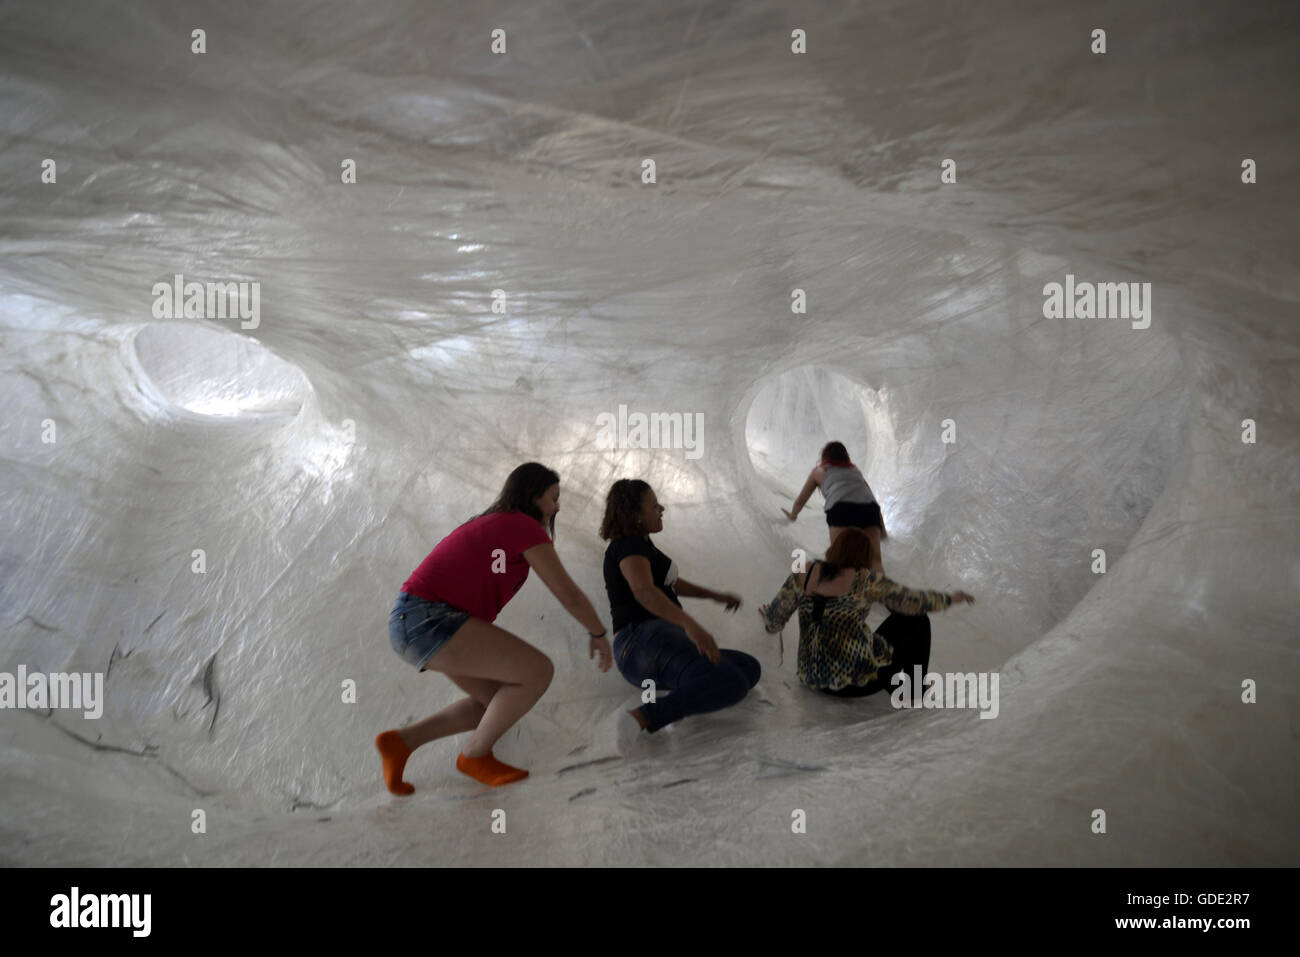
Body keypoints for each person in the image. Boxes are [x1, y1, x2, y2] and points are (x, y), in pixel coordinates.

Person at [376, 463, 611, 793]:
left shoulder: (497, 523)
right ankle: (474, 756)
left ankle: (401, 742)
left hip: (412, 623)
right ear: (533, 495)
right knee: (538, 671)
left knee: (495, 703)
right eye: (553, 497)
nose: (558, 507)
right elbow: (568, 593)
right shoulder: (523, 526)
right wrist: (599, 633)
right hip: (429, 619)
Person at [600, 479, 759, 747]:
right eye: (653, 505)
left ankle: (680, 699)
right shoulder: (628, 545)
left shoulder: (644, 546)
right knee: (731, 680)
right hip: (639, 642)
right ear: (635, 515)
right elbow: (644, 591)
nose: (661, 508)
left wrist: (715, 596)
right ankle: (640, 718)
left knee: (747, 668)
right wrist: (689, 624)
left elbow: (670, 584)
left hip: (654, 643)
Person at [758, 529, 974, 702]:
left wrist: (770, 615)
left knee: (876, 640)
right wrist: (950, 599)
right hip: (854, 684)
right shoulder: (866, 580)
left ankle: (900, 683)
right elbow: (912, 602)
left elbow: (773, 623)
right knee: (917, 619)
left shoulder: (804, 571)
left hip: (810, 677)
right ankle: (913, 691)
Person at [783, 441, 887, 573]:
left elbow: (801, 500)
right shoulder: (854, 470)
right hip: (869, 510)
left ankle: (840, 590)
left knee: (838, 559)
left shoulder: (819, 471)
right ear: (845, 456)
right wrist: (882, 531)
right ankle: (879, 591)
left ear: (824, 457)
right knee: (875, 561)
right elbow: (871, 499)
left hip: (841, 508)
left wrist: (793, 516)